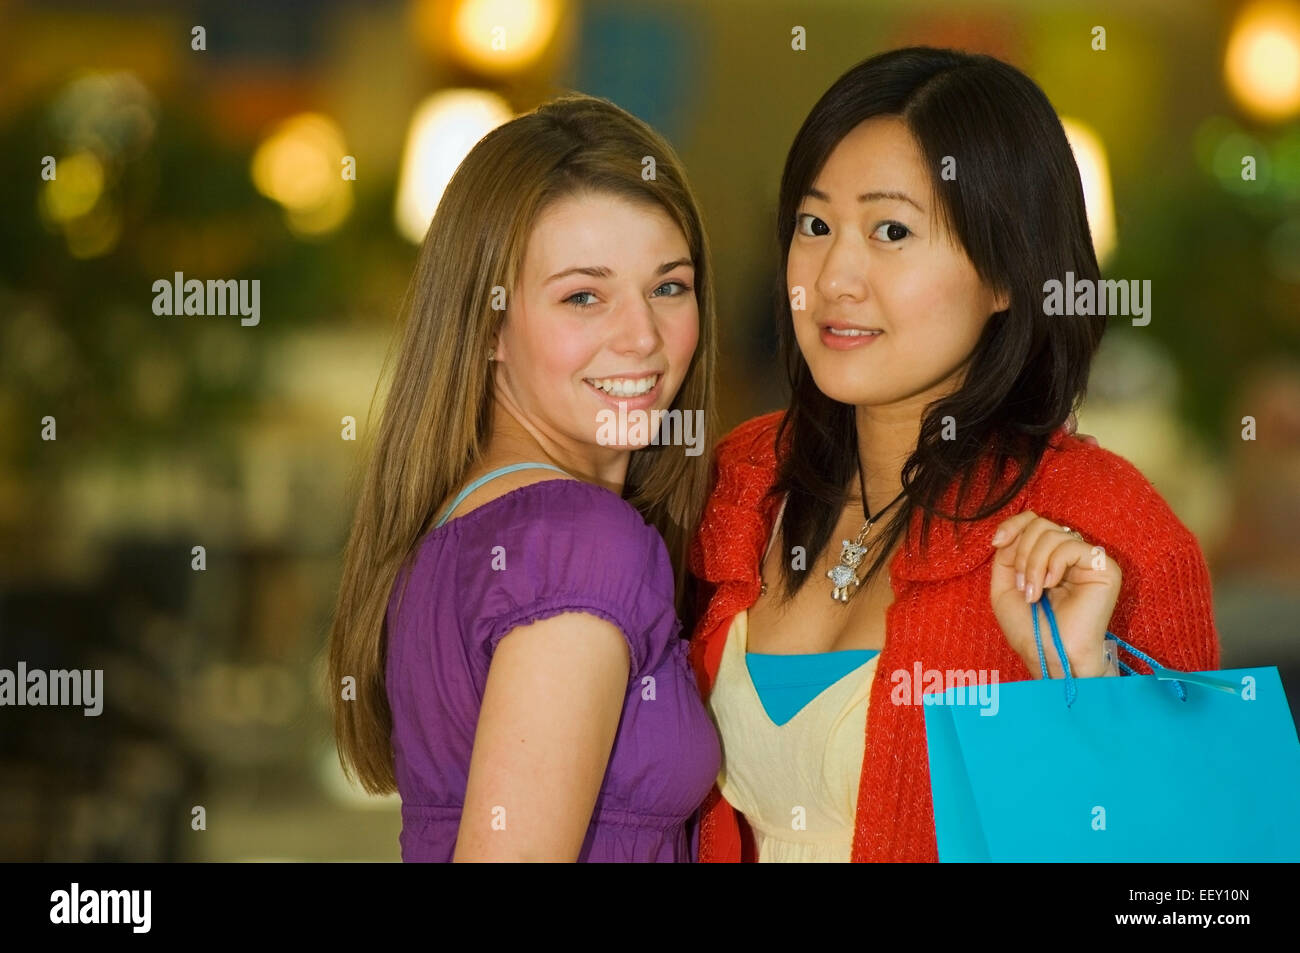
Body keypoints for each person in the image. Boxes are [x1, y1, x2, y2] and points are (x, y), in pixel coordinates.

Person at [688, 47, 1220, 863]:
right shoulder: (741, 479)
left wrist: (1086, 688)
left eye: (892, 230)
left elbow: (1194, 891)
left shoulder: (1111, 529)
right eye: (815, 223)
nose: (836, 276)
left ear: (1007, 269)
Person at [328, 94, 722, 861]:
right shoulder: (580, 545)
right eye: (584, 295)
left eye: (669, 285)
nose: (642, 335)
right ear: (487, 327)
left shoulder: (464, 530)